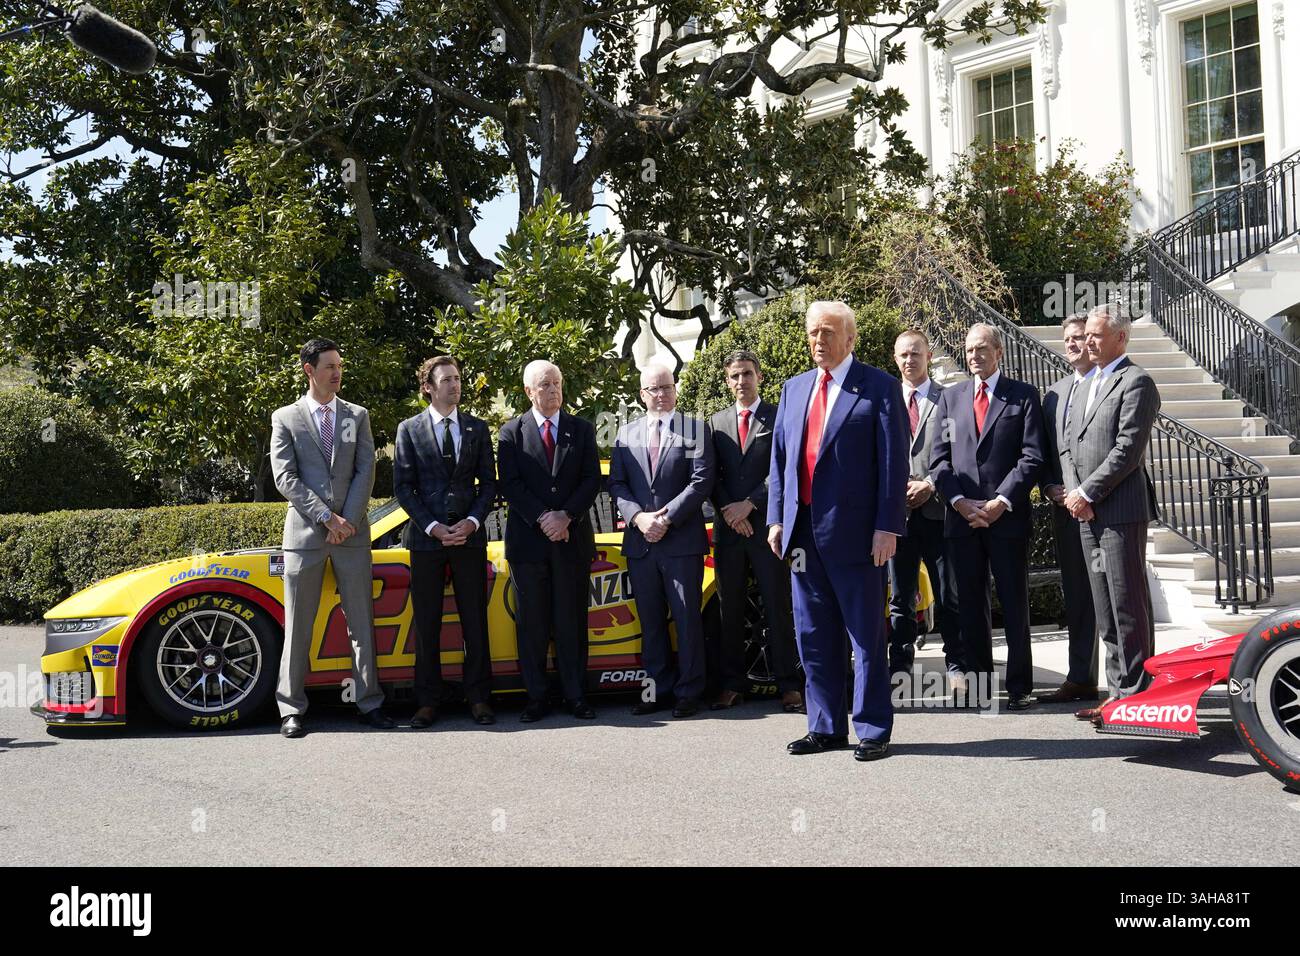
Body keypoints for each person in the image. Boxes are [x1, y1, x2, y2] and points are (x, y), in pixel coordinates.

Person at [767, 301, 909, 761]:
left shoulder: (879, 388)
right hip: (802, 534)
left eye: (828, 333)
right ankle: (825, 726)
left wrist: (888, 526)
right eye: (812, 332)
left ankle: (871, 728)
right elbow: (781, 461)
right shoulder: (794, 389)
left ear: (850, 339)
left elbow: (893, 464)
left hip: (857, 535)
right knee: (812, 633)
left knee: (866, 635)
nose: (818, 341)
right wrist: (776, 518)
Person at [270, 338, 392, 738]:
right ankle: (291, 709)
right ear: (309, 370)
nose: (338, 373)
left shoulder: (357, 415)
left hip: (352, 534)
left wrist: (348, 520)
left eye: (340, 366)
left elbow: (365, 471)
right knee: (299, 625)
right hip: (306, 534)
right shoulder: (285, 418)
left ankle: (369, 702)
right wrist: (327, 518)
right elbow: (285, 477)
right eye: (329, 367)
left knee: (362, 621)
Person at [929, 323, 1045, 711]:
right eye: (969, 350)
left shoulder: (1023, 397)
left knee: (1014, 603)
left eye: (982, 349)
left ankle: (1019, 687)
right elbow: (938, 461)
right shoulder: (950, 399)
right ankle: (979, 686)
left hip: (1006, 519)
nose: (974, 356)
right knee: (969, 606)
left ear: (998, 352)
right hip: (962, 520)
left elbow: (1032, 457)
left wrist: (999, 502)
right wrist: (960, 502)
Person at [1061, 303, 1161, 724]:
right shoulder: (1084, 384)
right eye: (1087, 336)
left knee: (1127, 603)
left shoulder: (1136, 381)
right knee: (1104, 604)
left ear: (1120, 337)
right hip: (1086, 514)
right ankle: (1117, 693)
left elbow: (1127, 451)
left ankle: (1141, 694)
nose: (1088, 342)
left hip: (1119, 512)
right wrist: (1072, 493)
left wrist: (1087, 491)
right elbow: (1068, 441)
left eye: (1097, 335)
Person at [393, 356, 498, 728]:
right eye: (447, 380)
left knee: (475, 621)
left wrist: (471, 522)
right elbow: (403, 488)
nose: (455, 385)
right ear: (428, 387)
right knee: (427, 623)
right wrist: (433, 527)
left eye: (458, 378)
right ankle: (427, 701)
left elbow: (489, 484)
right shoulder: (409, 429)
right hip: (426, 543)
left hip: (469, 540)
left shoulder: (477, 428)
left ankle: (480, 697)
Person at [497, 360, 602, 722]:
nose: (554, 390)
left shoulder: (582, 429)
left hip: (571, 541)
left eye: (557, 383)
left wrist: (566, 516)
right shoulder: (511, 433)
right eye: (546, 385)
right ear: (529, 391)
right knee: (533, 625)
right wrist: (544, 517)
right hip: (529, 545)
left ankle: (576, 696)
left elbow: (591, 479)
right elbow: (510, 484)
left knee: (572, 622)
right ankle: (537, 698)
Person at [608, 363, 716, 718]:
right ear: (642, 395)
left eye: (667, 387)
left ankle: (689, 692)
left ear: (675, 389)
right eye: (654, 389)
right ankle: (656, 690)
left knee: (687, 620)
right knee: (650, 621)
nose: (662, 394)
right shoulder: (626, 435)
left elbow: (701, 482)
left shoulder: (694, 430)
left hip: (681, 541)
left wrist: (665, 518)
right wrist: (639, 519)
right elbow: (618, 485)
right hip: (641, 543)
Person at [707, 349, 803, 713]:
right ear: (727, 381)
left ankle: (788, 684)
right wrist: (731, 513)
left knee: (777, 606)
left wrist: (750, 504)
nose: (741, 381)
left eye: (747, 374)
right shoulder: (715, 424)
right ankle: (732, 685)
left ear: (759, 376)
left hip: (766, 530)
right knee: (729, 609)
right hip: (729, 533)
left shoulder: (778, 418)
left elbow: (785, 470)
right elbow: (709, 477)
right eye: (734, 376)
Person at [887, 329, 963, 683]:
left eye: (915, 353)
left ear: (928, 356)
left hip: (937, 512)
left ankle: (956, 664)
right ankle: (899, 664)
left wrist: (930, 484)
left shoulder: (948, 399)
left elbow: (958, 453)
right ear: (895, 358)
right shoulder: (884, 400)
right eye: (903, 354)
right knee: (899, 598)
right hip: (896, 517)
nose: (909, 360)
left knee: (948, 593)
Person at [1036, 315, 1100, 704]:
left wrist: (1088, 492)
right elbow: (1044, 452)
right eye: (1067, 339)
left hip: (1104, 507)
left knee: (1118, 600)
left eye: (1079, 337)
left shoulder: (1111, 383)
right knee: (1076, 595)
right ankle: (1080, 678)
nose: (1072, 344)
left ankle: (1136, 686)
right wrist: (1049, 488)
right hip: (1065, 510)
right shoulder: (1055, 394)